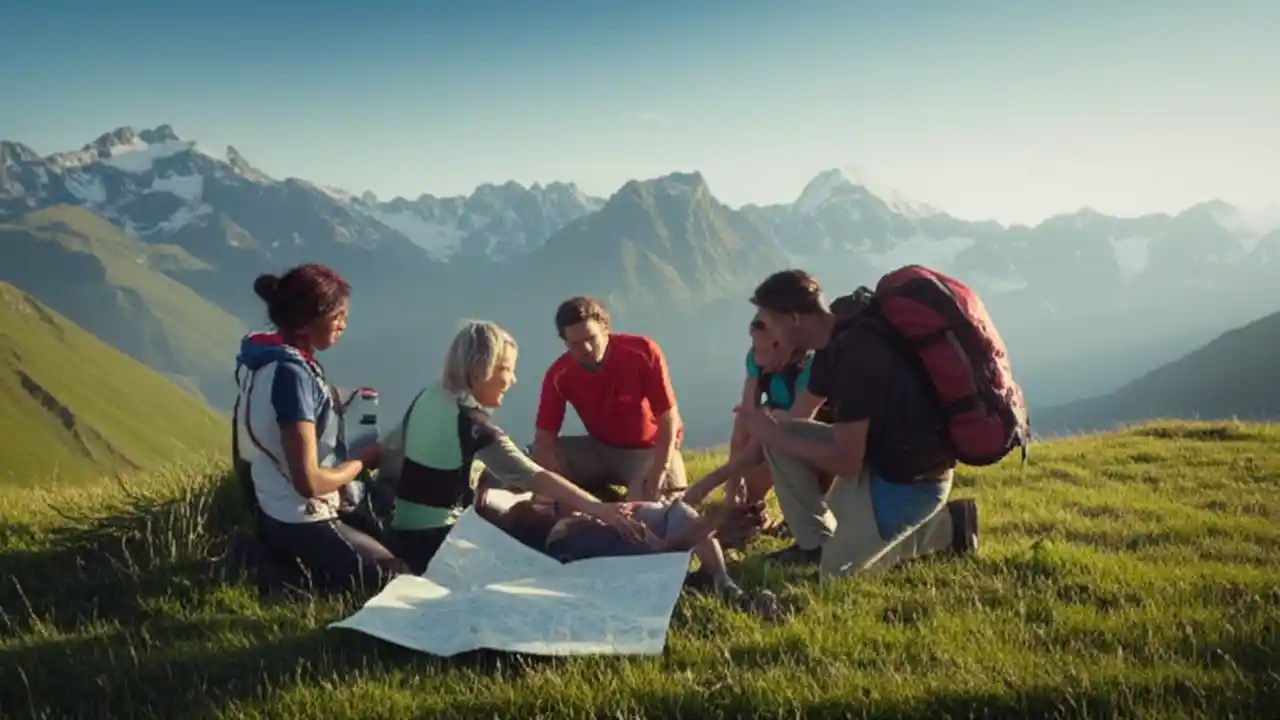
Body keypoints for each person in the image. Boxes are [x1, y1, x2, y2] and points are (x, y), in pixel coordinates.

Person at [726, 269, 979, 580]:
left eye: (769, 323)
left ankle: (949, 526)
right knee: (780, 426)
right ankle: (812, 545)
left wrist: (771, 433)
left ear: (793, 319)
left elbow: (846, 462)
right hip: (878, 464)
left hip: (911, 484)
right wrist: (712, 484)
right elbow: (791, 424)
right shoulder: (831, 346)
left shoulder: (856, 357)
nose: (769, 334)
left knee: (834, 574)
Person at [388, 320, 650, 574]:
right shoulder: (471, 422)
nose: (513, 380)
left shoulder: (428, 395)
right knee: (544, 529)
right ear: (481, 370)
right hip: (439, 546)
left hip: (404, 536)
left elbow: (393, 452)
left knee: (520, 509)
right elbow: (533, 475)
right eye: (506, 369)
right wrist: (601, 509)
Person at [233, 263, 408, 593]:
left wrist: (327, 400)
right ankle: (274, 571)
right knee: (397, 581)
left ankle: (282, 560)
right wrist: (360, 462)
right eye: (338, 316)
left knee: (392, 537)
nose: (344, 325)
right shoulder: (292, 376)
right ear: (307, 320)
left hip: (273, 502)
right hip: (301, 518)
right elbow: (308, 482)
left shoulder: (265, 356)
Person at [476, 485, 782, 617]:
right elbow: (660, 551)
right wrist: (716, 519)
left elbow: (682, 505)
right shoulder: (574, 535)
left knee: (677, 515)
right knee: (664, 545)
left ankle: (718, 576)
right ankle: (723, 577)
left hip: (653, 533)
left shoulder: (574, 532)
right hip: (633, 555)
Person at [532, 296, 687, 502]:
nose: (585, 349)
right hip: (598, 449)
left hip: (649, 450)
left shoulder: (641, 352)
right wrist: (544, 489)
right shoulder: (560, 375)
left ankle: (629, 497)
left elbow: (668, 417)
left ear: (606, 329)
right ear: (565, 343)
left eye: (591, 338)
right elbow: (544, 438)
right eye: (575, 344)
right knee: (527, 463)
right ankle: (590, 500)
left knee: (662, 508)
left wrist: (659, 470)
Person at [681, 310, 830, 514]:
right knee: (749, 421)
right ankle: (747, 506)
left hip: (814, 431)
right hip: (775, 420)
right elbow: (746, 414)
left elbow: (791, 425)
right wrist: (734, 482)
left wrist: (711, 481)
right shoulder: (756, 358)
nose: (758, 357)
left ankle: (774, 508)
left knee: (769, 444)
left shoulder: (810, 368)